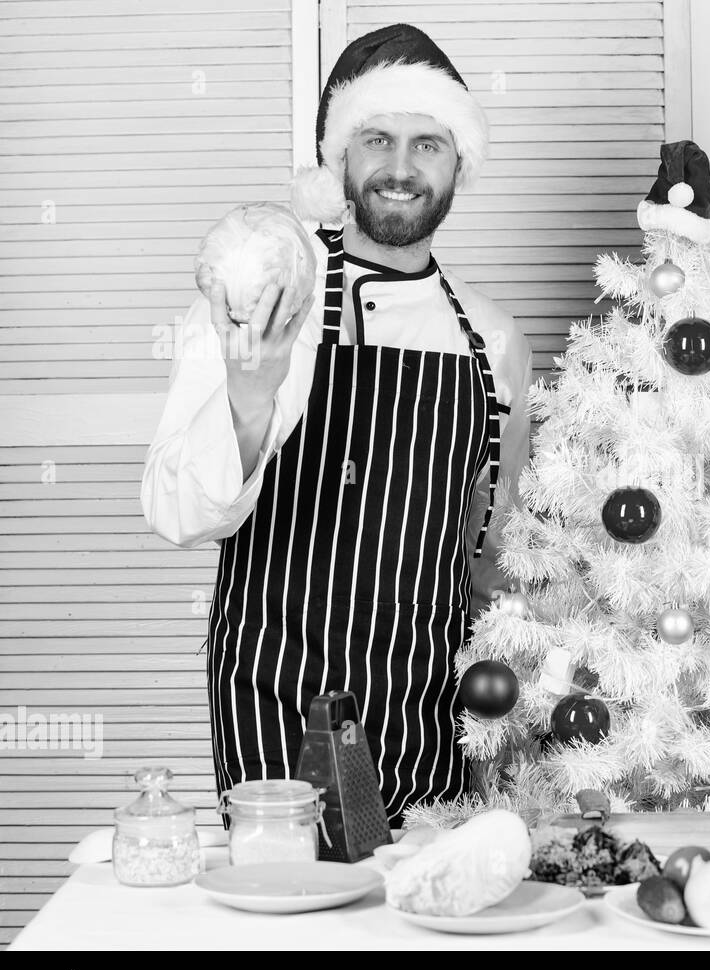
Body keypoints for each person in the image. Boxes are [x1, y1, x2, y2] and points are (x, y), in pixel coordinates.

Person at [141, 24, 534, 823]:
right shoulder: (258, 296)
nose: (400, 167)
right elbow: (176, 513)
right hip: (273, 690)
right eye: (376, 140)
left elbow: (493, 546)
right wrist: (253, 392)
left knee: (423, 923)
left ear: (459, 162)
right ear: (336, 163)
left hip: (423, 701)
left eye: (428, 143)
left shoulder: (489, 338)